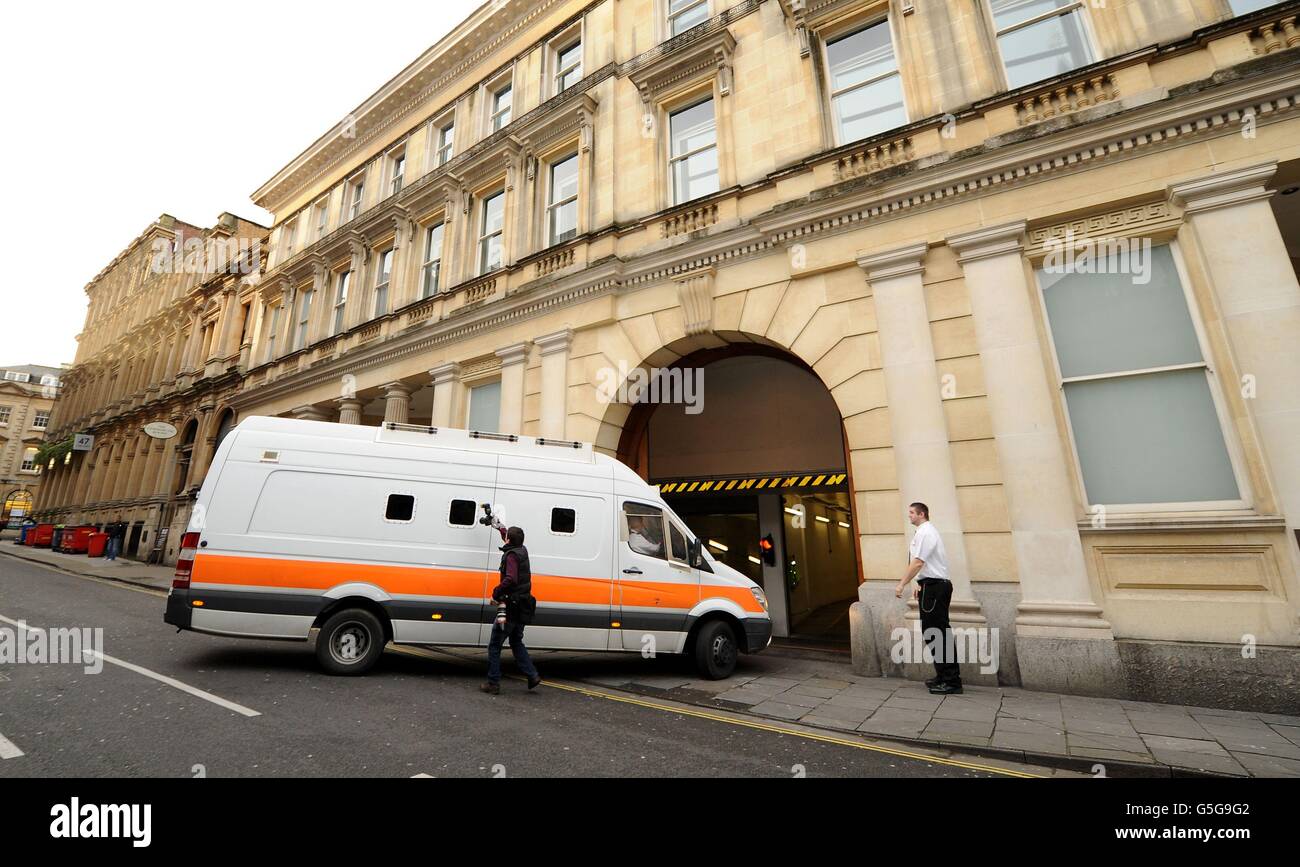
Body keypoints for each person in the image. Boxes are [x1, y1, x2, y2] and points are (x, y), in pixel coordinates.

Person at [894, 502, 961, 695]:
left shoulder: (926, 532)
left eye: (912, 513)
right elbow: (925, 564)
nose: (909, 516)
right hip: (930, 586)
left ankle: (951, 681)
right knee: (933, 632)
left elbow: (917, 562)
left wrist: (902, 584)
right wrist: (919, 583)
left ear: (922, 514)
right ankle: (943, 677)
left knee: (938, 633)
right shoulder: (924, 532)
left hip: (935, 588)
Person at [481, 516, 541, 695]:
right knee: (516, 641)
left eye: (507, 536)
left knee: (494, 645)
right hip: (522, 604)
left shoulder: (511, 556)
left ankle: (493, 683)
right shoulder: (522, 549)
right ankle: (532, 675)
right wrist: (498, 526)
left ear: (509, 541)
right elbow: (509, 536)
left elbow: (511, 579)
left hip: (511, 606)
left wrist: (495, 593)